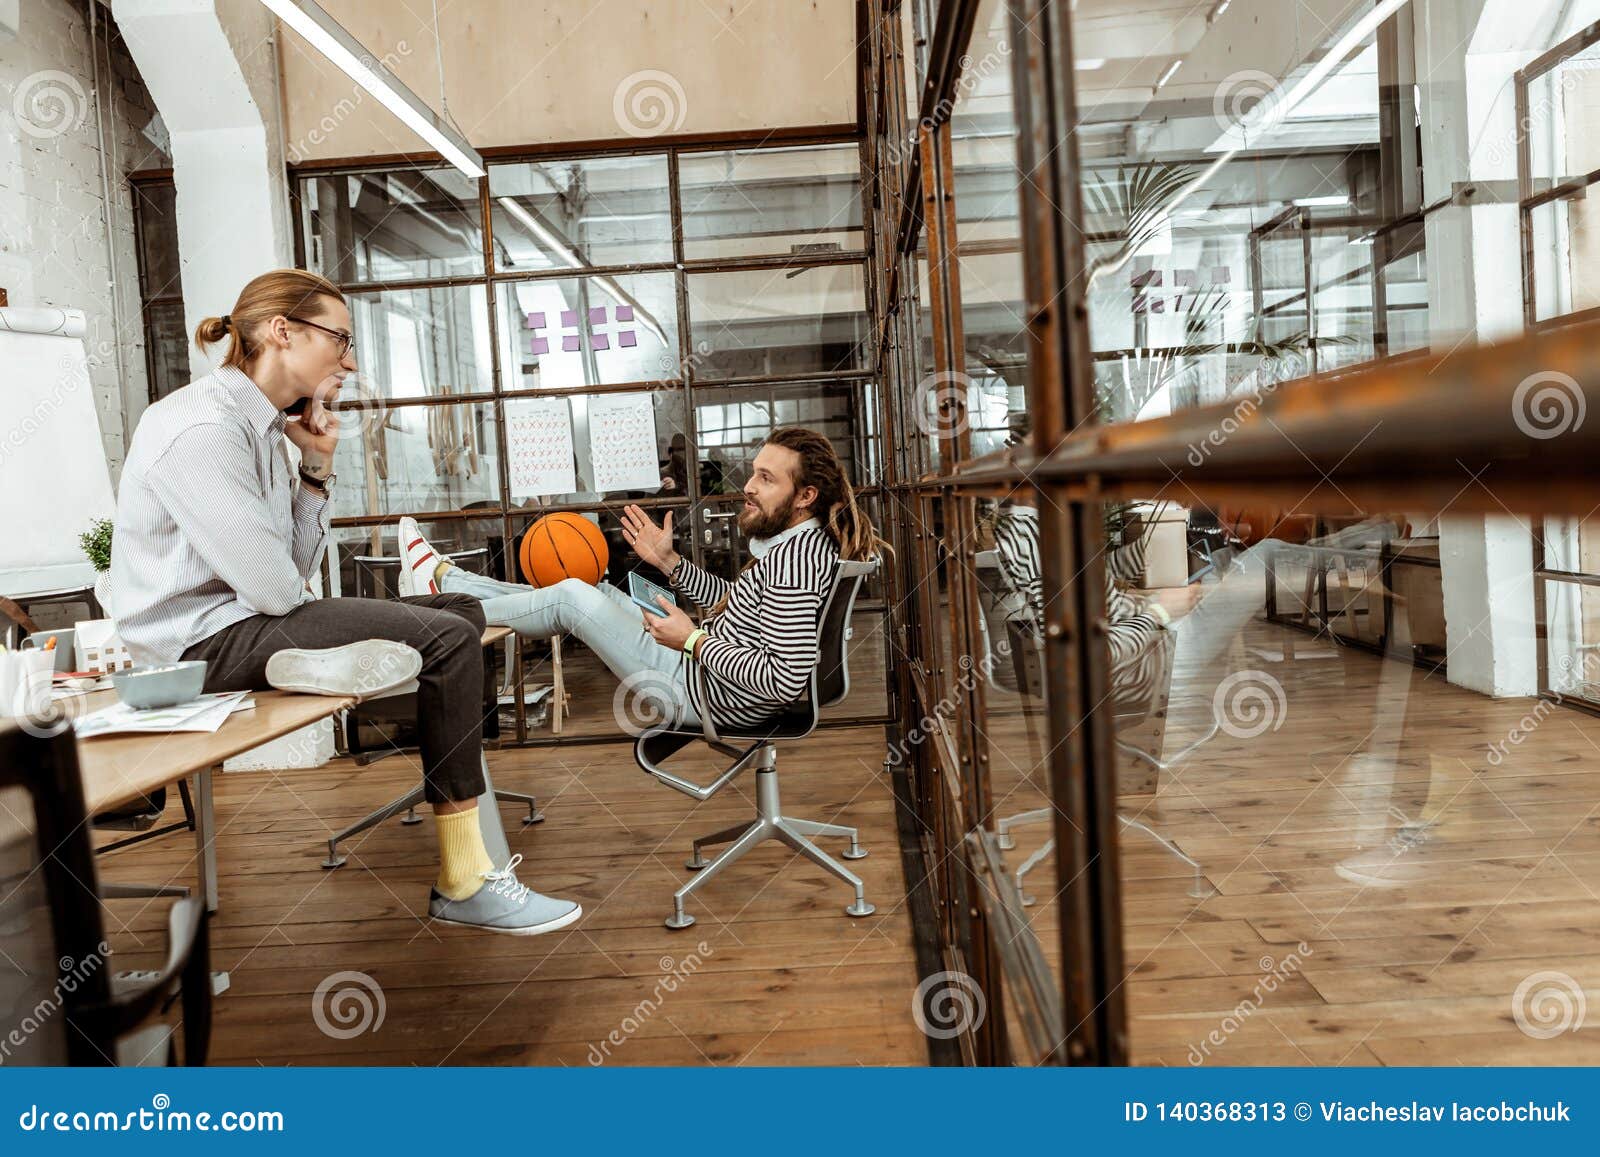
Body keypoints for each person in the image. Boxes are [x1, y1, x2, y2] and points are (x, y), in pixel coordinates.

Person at [111, 268, 579, 936]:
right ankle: (466, 880)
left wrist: (316, 467)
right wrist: (299, 589)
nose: (351, 360)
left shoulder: (271, 432)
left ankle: (324, 664)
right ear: (281, 332)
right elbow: (279, 590)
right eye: (339, 338)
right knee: (445, 639)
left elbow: (292, 575)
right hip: (196, 648)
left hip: (250, 623)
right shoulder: (201, 430)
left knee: (460, 613)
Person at [395, 426, 887, 732]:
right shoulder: (798, 546)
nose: (749, 487)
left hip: (703, 691)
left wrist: (691, 639)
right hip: (703, 672)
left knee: (571, 595)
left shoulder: (795, 561)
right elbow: (738, 605)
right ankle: (446, 578)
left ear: (805, 496)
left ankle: (442, 597)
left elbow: (783, 680)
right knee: (596, 587)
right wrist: (671, 563)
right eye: (754, 473)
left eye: (766, 479)